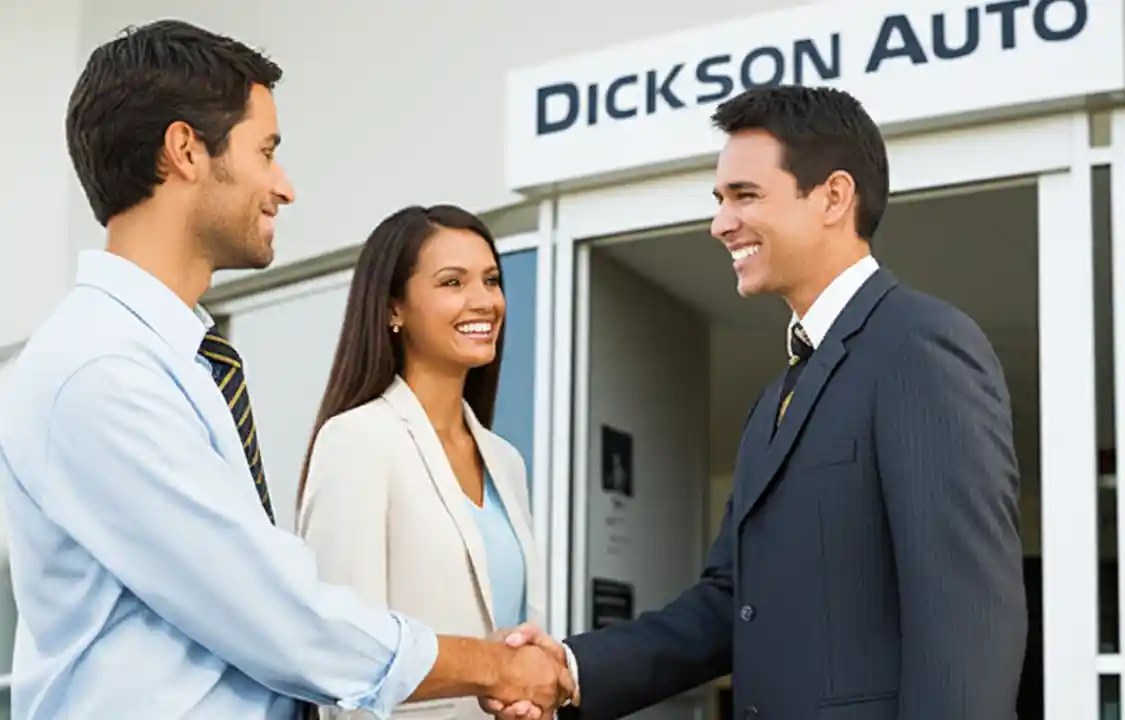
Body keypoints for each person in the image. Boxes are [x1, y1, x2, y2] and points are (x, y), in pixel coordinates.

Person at [0, 20, 570, 719]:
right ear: (185, 151)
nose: (285, 187)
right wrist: (493, 667)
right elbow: (280, 618)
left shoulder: (178, 362)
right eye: (266, 152)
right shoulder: (100, 370)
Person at [488, 85, 1027, 719]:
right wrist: (572, 668)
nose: (720, 223)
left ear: (833, 197)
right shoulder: (776, 399)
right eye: (719, 200)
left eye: (745, 195)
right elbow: (730, 602)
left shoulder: (921, 348)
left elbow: (968, 625)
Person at [297, 204, 546, 719]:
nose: (484, 301)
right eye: (453, 282)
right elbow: (345, 657)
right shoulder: (358, 440)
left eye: (491, 280)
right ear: (395, 309)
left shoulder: (506, 462)